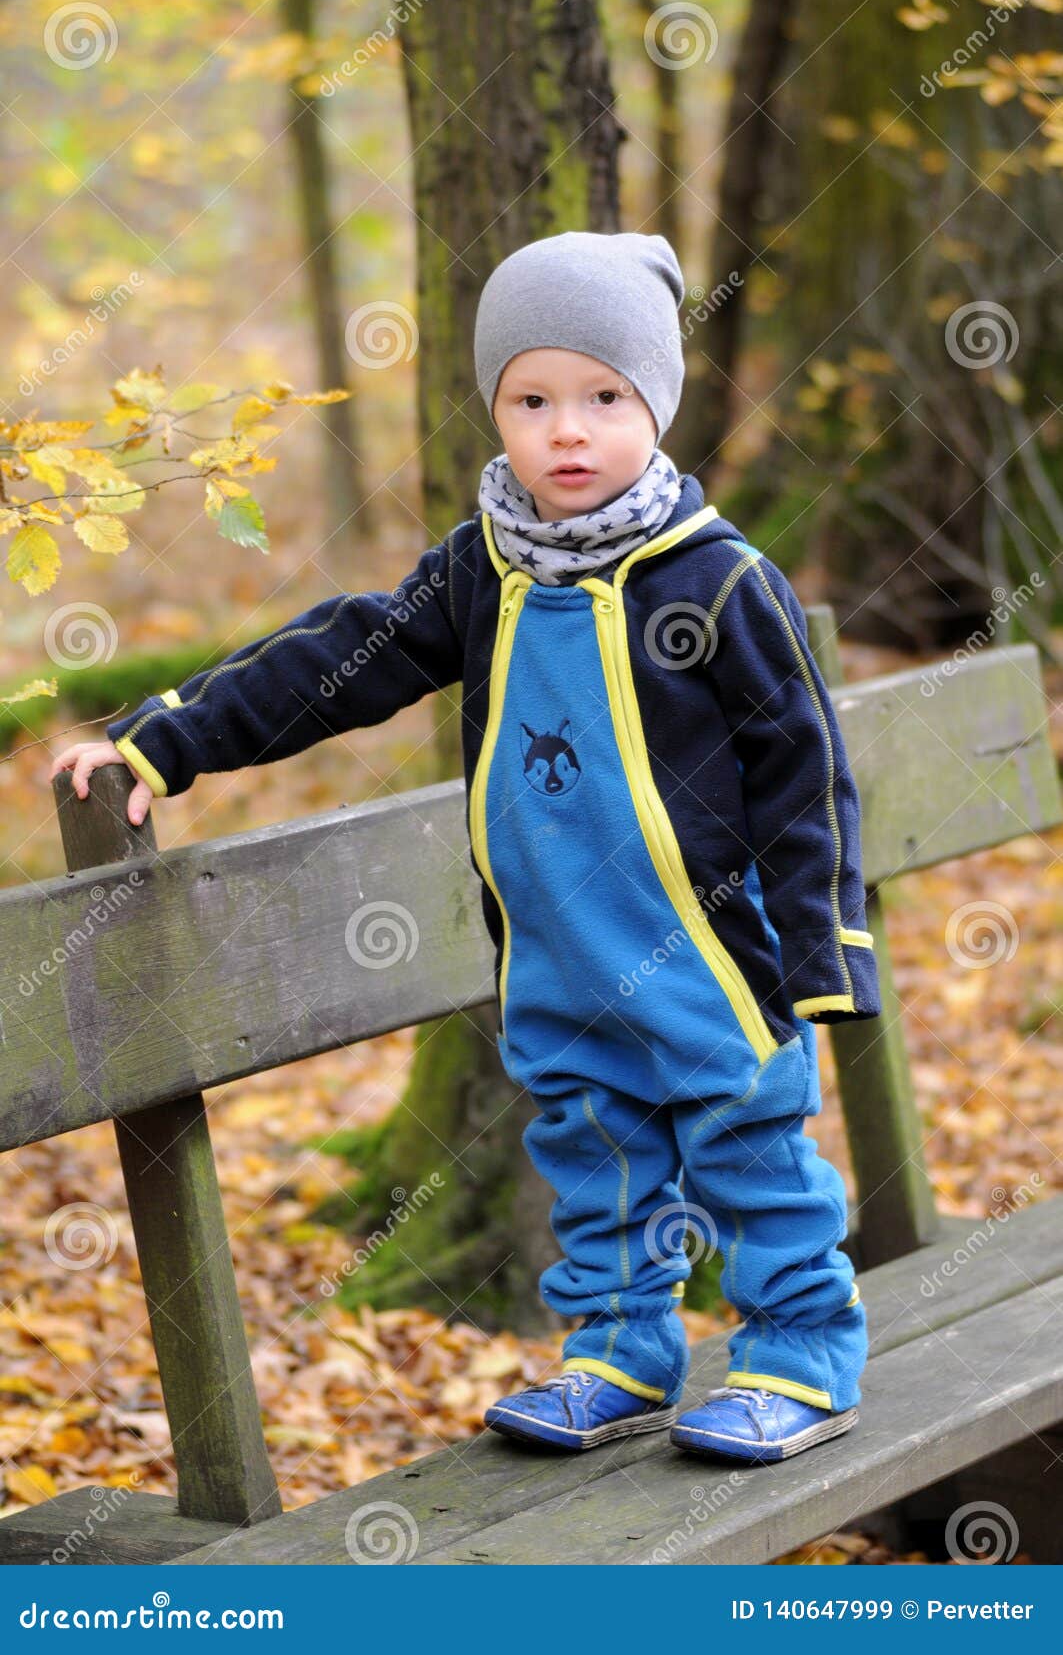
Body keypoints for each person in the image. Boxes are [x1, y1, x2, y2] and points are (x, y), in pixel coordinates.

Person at [49, 231, 881, 1467]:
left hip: (708, 953)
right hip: (555, 953)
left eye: (604, 398)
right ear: (496, 409)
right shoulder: (479, 571)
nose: (568, 431)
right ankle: (618, 1348)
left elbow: (805, 775)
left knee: (746, 1153)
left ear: (654, 403)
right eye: (531, 400)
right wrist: (168, 735)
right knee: (593, 1153)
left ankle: (800, 1355)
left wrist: (826, 952)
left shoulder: (716, 582)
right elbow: (339, 660)